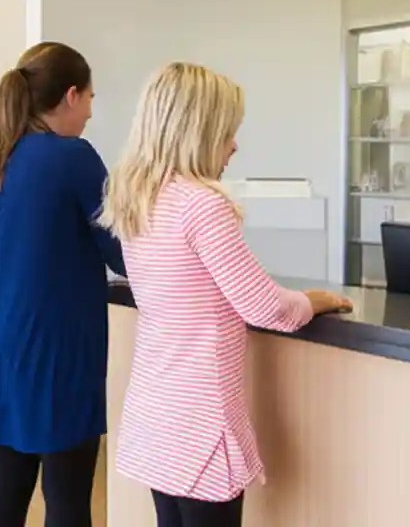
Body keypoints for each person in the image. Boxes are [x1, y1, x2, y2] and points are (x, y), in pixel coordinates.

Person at [99, 62, 351, 527]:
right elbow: (266, 307)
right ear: (197, 131)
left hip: (158, 408)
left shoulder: (138, 199)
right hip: (200, 420)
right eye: (227, 132)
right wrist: (317, 300)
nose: (235, 145)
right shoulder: (202, 204)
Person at [0, 42, 126, 527]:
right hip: (50, 352)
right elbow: (121, 250)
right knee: (68, 499)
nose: (91, 112)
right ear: (71, 95)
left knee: (6, 490)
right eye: (91, 98)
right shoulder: (72, 157)